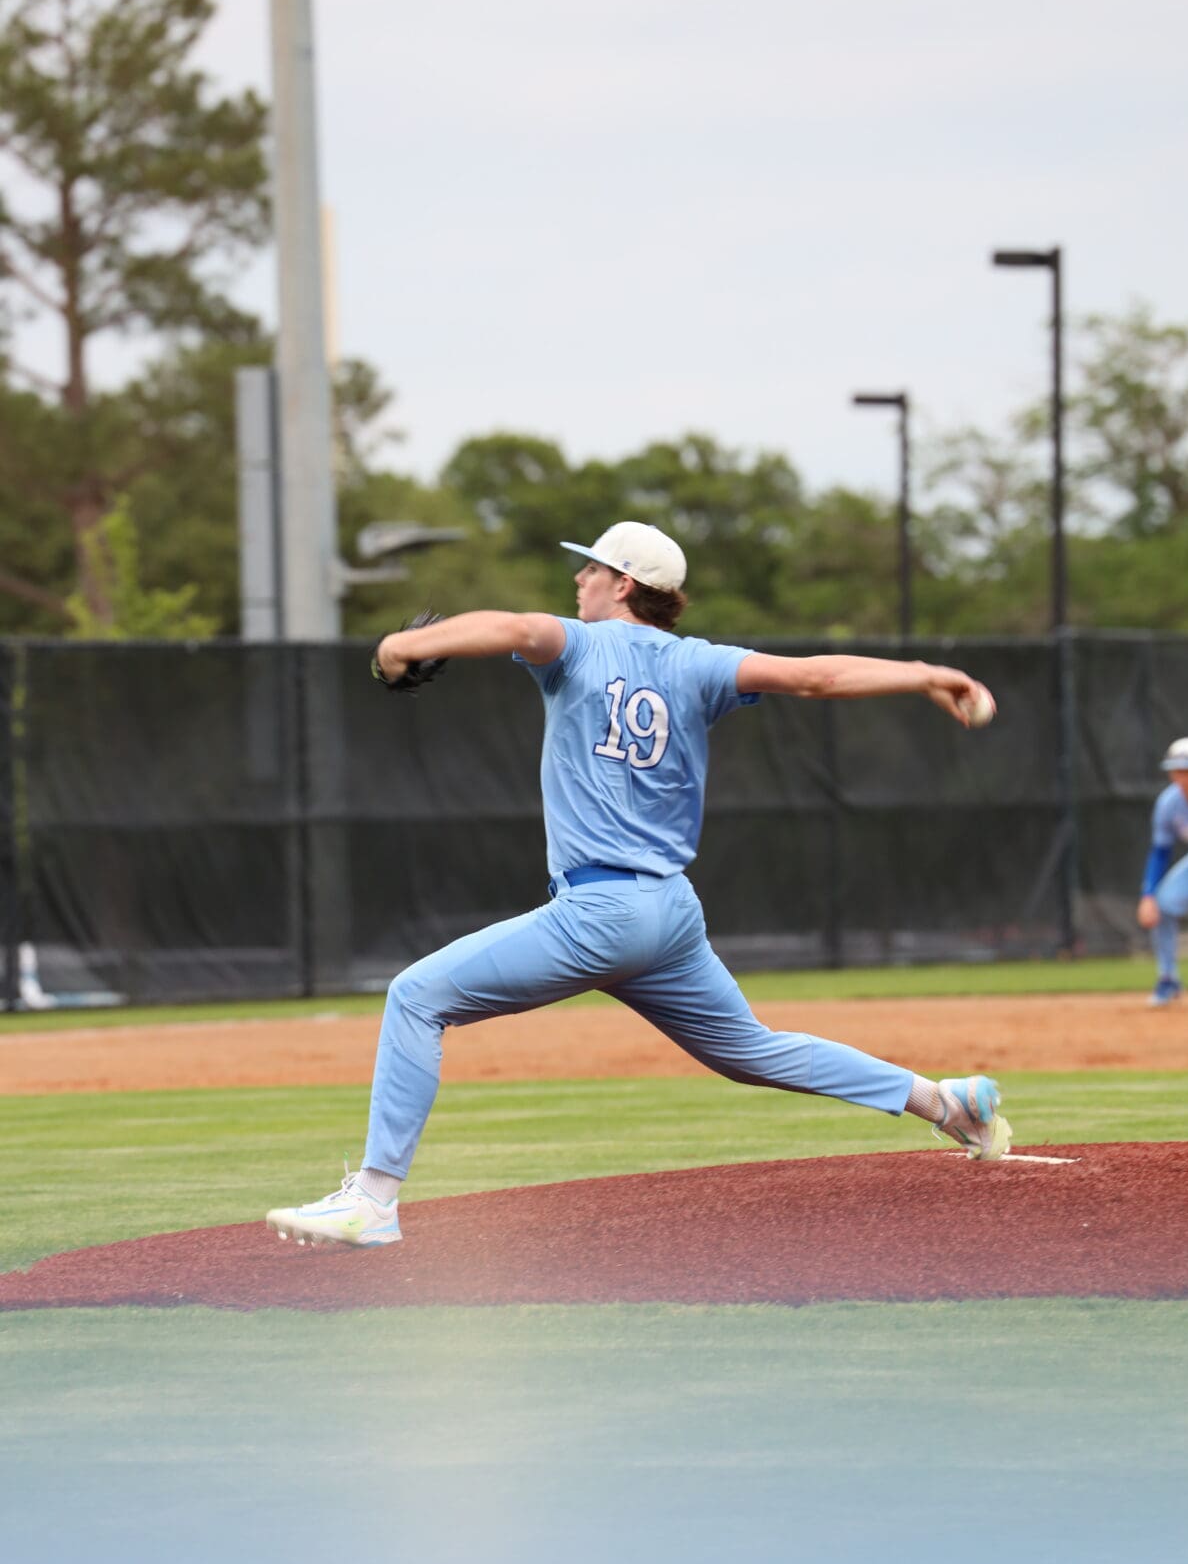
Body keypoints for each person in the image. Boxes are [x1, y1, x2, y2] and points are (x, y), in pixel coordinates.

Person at [267, 520, 1012, 1249]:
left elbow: (518, 625)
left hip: (600, 913)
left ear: (624, 585)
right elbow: (814, 675)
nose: (579, 579)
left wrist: (402, 646)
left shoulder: (579, 643)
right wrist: (923, 675)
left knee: (416, 997)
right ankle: (948, 1104)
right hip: (669, 914)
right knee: (752, 1050)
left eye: (592, 569)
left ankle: (372, 1200)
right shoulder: (699, 663)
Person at [1136, 735, 1188, 1008]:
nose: (1181, 777)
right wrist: (1148, 894)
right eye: (1176, 771)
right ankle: (1168, 979)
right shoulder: (1169, 803)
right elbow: (1160, 852)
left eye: (1187, 770)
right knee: (1161, 904)